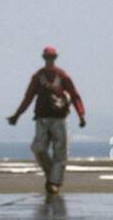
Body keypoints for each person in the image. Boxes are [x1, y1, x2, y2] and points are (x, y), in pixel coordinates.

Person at [8, 46, 86, 194]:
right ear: (44, 58)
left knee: (60, 152)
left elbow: (74, 96)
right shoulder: (38, 76)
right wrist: (17, 115)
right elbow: (29, 97)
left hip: (60, 119)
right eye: (47, 57)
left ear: (55, 58)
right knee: (39, 148)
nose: (49, 60)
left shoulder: (63, 76)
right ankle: (52, 176)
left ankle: (54, 183)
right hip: (41, 119)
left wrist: (81, 115)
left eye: (51, 57)